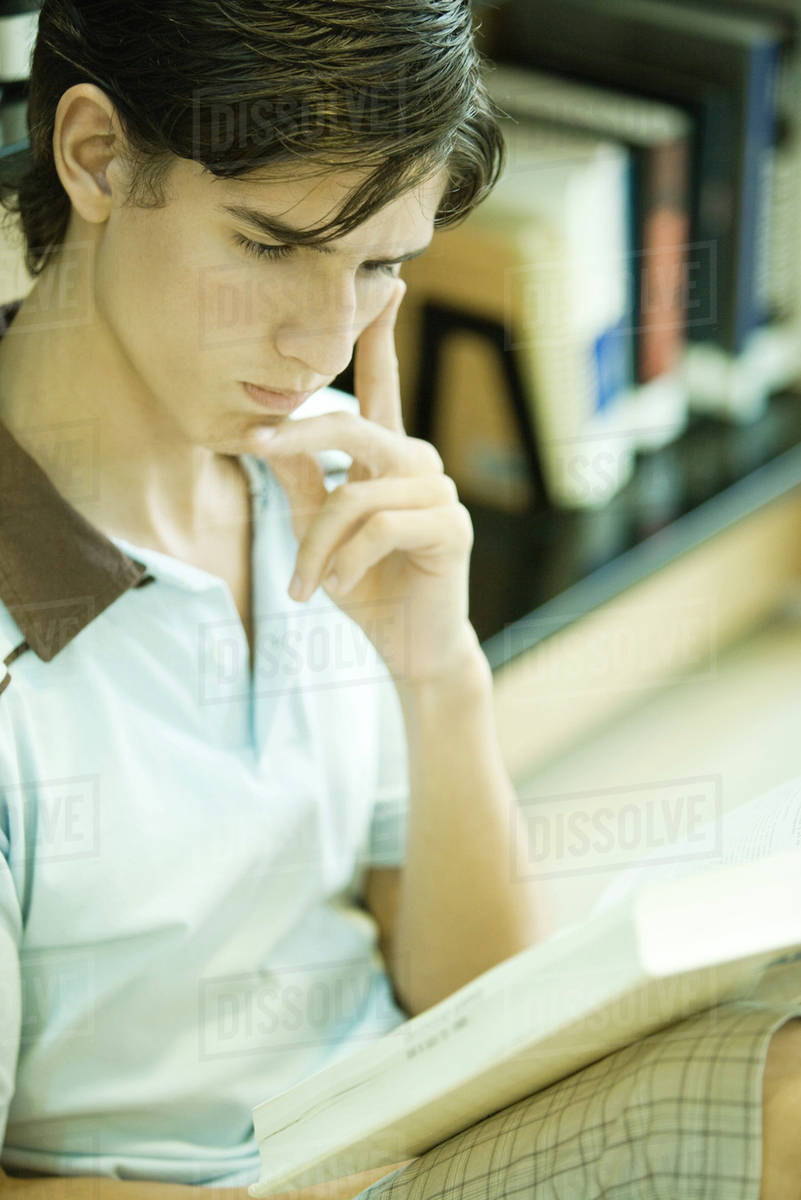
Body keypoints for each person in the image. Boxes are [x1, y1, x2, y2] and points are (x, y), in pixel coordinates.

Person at [0, 2, 799, 1198]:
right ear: (97, 156)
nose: (324, 339)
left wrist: (440, 675)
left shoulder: (323, 471)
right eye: (271, 246)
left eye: (379, 265)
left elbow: (474, 1011)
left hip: (399, 1130)